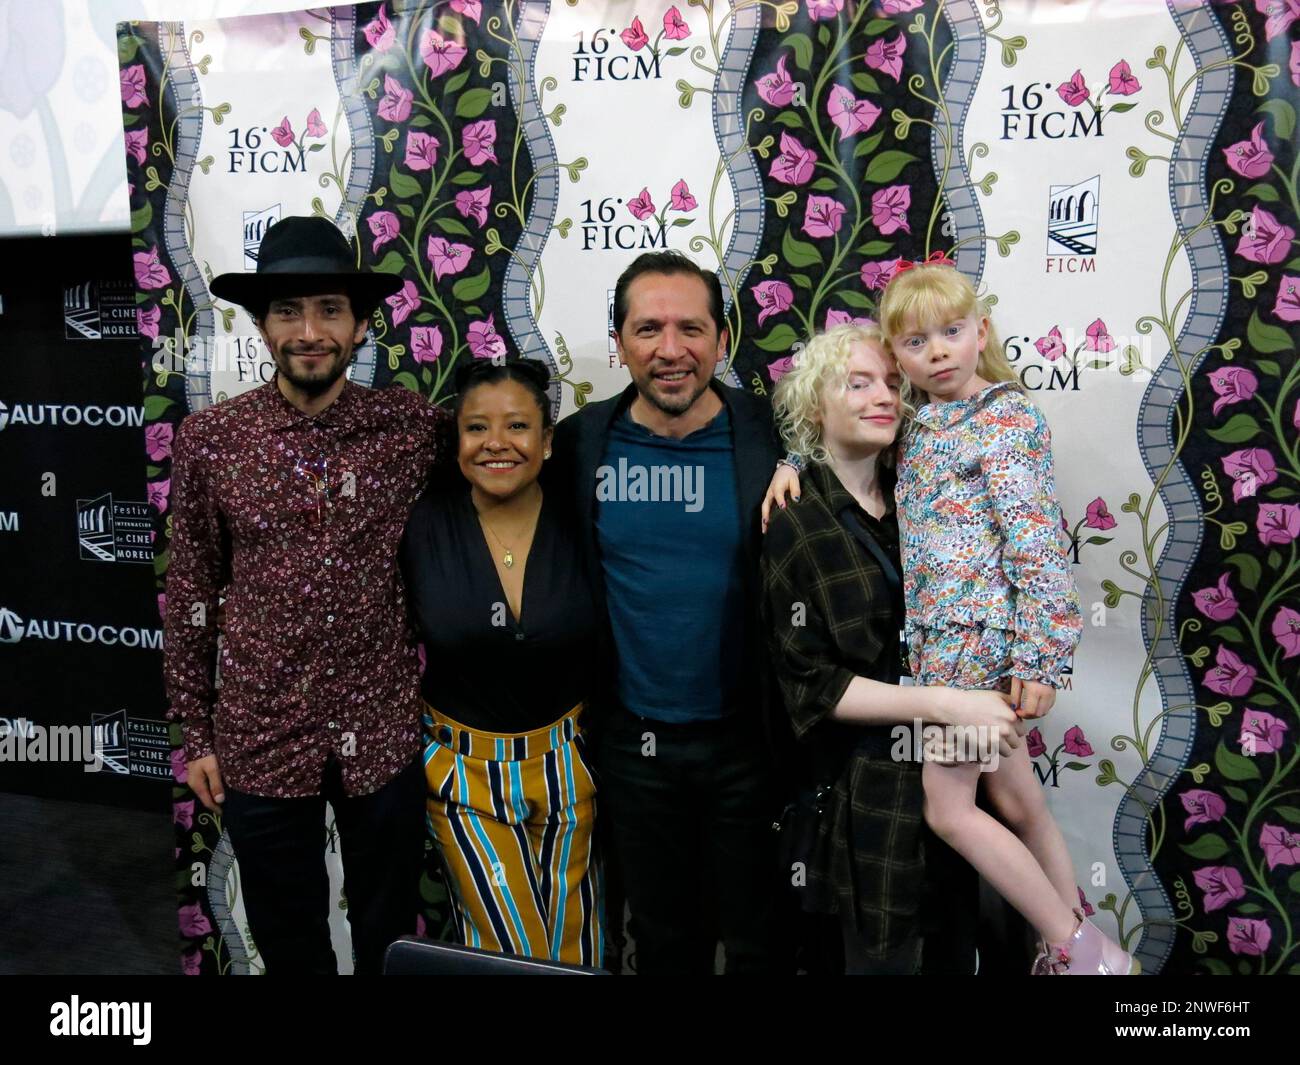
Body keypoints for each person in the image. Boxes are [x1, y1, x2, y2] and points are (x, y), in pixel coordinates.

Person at [164, 216, 452, 974]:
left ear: (360, 325)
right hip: (260, 735)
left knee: (391, 933)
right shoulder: (211, 439)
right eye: (288, 311)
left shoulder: (411, 427)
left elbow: (516, 444)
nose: (309, 330)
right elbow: (192, 585)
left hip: (382, 729)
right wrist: (196, 732)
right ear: (262, 326)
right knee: (289, 941)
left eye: (329, 309)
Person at [878, 256, 1135, 975]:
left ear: (980, 330)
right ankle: (1078, 948)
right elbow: (831, 430)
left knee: (948, 809)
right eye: (915, 341)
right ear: (895, 353)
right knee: (1020, 801)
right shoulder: (920, 426)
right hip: (940, 645)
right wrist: (791, 461)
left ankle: (1082, 952)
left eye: (952, 332)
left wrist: (1040, 657)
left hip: (976, 647)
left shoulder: (1006, 414)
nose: (937, 351)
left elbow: (1038, 542)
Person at [548, 251, 786, 974]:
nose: (671, 349)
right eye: (648, 328)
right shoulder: (582, 441)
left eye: (692, 327)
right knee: (662, 943)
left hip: (753, 742)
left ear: (723, 339)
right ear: (618, 342)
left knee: (762, 943)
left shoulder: (775, 433)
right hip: (632, 746)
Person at [760, 324, 1025, 973]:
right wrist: (946, 705)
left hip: (962, 775)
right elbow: (813, 687)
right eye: (858, 383)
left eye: (890, 383)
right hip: (869, 798)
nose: (882, 396)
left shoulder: (923, 489)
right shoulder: (796, 522)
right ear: (816, 405)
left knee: (966, 950)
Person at [399, 358, 604, 967]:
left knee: (575, 946)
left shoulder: (586, 518)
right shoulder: (419, 524)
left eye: (517, 427)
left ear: (546, 441)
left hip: (570, 768)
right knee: (510, 951)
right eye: (476, 428)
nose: (496, 444)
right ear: (455, 440)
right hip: (462, 773)